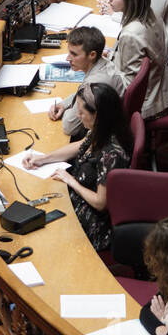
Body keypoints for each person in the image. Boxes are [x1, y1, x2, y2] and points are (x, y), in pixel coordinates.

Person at [21, 81, 129, 251]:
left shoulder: (112, 154)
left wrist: (71, 181)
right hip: (76, 197)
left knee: (38, 236)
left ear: (97, 116)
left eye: (81, 112)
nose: (78, 115)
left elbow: (101, 203)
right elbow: (80, 146)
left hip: (93, 220)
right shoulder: (100, 130)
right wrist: (43, 159)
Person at [105, 0, 168, 118]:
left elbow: (129, 85)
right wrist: (113, 54)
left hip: (146, 105)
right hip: (164, 90)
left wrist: (102, 65)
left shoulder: (131, 34)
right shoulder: (151, 12)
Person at [46, 26, 126, 138]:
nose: (68, 58)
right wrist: (64, 104)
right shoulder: (104, 63)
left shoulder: (94, 84)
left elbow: (69, 126)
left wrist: (67, 111)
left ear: (92, 55)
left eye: (74, 54)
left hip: (108, 137)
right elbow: (81, 92)